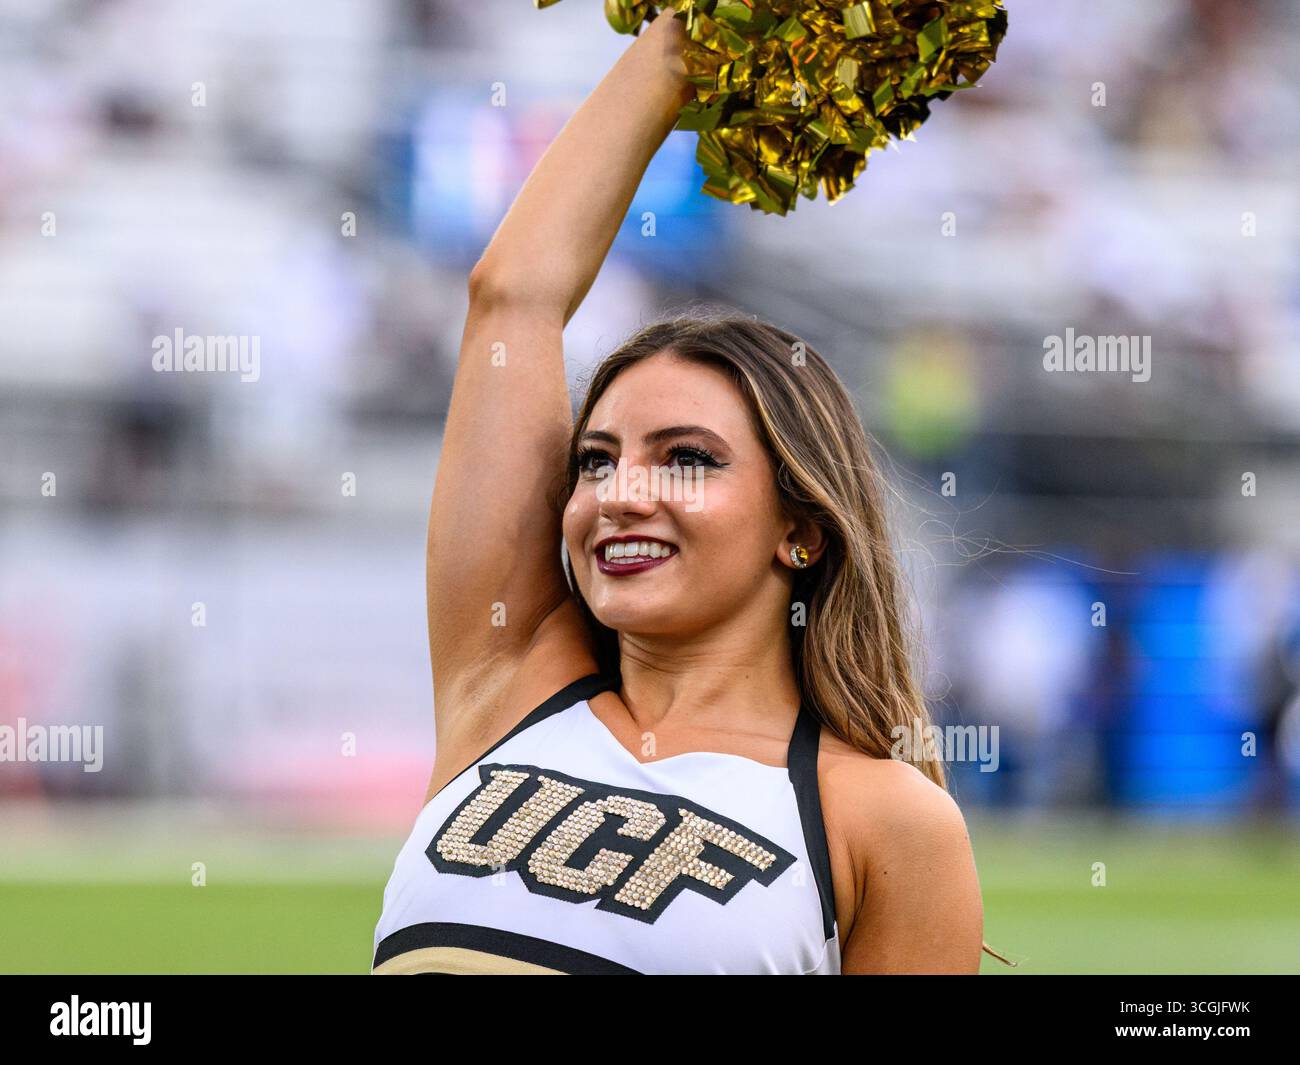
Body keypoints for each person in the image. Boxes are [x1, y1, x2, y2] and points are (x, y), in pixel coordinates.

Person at [372, 8, 985, 975]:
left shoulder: (883, 818)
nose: (621, 492)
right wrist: (684, 39)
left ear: (802, 531)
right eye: (596, 459)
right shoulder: (507, 684)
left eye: (687, 458)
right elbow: (512, 298)